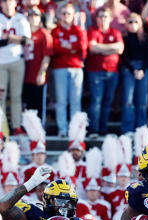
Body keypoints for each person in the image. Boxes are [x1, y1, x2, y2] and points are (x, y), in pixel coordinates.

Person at [0, 0, 30, 134]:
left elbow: (26, 40)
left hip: (16, 60)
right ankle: (0, 126)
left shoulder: (21, 18)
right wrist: (14, 39)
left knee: (16, 95)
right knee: (1, 95)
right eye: (5, 2)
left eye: (10, 1)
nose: (7, 4)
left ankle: (16, 125)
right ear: (1, 4)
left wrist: (10, 38)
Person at [51, 2, 87, 138]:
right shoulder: (55, 31)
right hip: (60, 68)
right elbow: (55, 48)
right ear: (59, 15)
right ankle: (63, 129)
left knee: (75, 101)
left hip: (76, 68)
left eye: (69, 14)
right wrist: (71, 47)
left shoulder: (78, 30)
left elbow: (82, 46)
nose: (66, 16)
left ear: (73, 16)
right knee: (61, 100)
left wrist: (67, 46)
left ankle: (75, 130)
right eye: (64, 13)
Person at [86, 7, 123, 138]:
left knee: (107, 102)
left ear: (110, 18)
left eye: (105, 16)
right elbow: (92, 48)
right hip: (95, 71)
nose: (103, 19)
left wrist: (101, 49)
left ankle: (103, 129)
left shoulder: (115, 32)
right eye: (100, 16)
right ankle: (94, 130)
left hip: (112, 72)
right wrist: (111, 48)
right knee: (96, 101)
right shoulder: (92, 31)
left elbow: (120, 49)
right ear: (96, 18)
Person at [120, 13, 148, 135]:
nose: (133, 24)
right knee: (128, 100)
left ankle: (141, 128)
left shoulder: (145, 38)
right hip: (129, 68)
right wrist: (133, 70)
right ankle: (128, 128)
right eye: (130, 22)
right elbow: (123, 56)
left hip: (143, 68)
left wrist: (142, 69)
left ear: (140, 24)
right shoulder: (124, 37)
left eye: (136, 22)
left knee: (143, 100)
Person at [23, 9, 52, 119]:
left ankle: (39, 131)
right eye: (30, 16)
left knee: (39, 105)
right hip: (25, 75)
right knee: (28, 105)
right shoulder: (24, 33)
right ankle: (29, 129)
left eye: (36, 16)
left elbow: (47, 55)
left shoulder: (44, 34)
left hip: (37, 74)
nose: (33, 18)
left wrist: (42, 73)